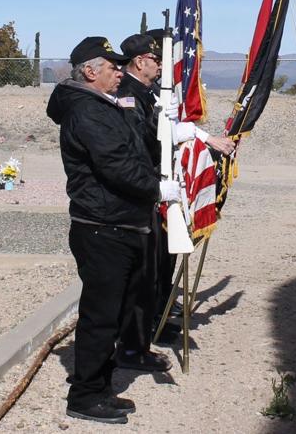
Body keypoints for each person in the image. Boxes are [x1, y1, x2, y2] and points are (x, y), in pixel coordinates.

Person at [46, 36, 182, 424]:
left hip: (121, 220)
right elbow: (116, 164)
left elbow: (137, 143)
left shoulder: (103, 103)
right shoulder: (86, 111)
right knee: (101, 314)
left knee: (117, 308)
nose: (119, 72)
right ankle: (85, 395)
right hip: (103, 225)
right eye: (111, 67)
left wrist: (161, 117)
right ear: (90, 72)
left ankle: (100, 385)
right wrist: (156, 188)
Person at [115, 32, 234, 371]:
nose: (162, 66)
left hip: (159, 187)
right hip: (146, 191)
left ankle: (154, 321)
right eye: (157, 60)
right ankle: (135, 341)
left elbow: (169, 132)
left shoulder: (151, 92)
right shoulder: (128, 94)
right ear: (141, 61)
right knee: (144, 273)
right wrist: (160, 122)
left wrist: (198, 136)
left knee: (158, 267)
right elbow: (140, 142)